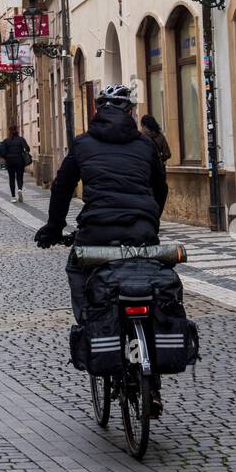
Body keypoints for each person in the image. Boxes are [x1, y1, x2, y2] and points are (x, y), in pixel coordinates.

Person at [34, 84, 168, 327]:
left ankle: (89, 326)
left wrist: (54, 227)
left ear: (97, 112)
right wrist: (150, 221)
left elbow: (62, 188)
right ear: (130, 113)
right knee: (151, 274)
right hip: (141, 230)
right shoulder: (146, 145)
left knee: (76, 269)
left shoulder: (83, 143)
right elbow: (160, 189)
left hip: (97, 231)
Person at [0, 123, 31, 203]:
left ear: (9, 131)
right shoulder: (21, 139)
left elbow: (2, 152)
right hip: (20, 160)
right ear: (17, 130)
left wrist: (6, 157)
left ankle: (13, 197)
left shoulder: (6, 141)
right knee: (20, 177)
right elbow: (27, 148)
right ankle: (19, 189)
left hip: (10, 161)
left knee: (11, 178)